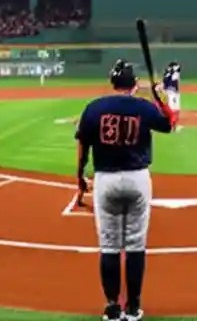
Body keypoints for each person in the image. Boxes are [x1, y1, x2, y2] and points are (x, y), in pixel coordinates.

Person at [74, 60, 175, 321]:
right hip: (137, 179)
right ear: (134, 84)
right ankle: (133, 307)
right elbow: (169, 123)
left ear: (112, 83)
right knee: (135, 245)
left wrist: (79, 178)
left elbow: (82, 146)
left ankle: (112, 307)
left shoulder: (94, 108)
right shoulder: (142, 107)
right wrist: (159, 96)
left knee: (109, 246)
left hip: (105, 180)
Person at [162, 62, 182, 130]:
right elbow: (178, 70)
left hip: (167, 92)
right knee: (175, 109)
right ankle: (173, 126)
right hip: (172, 93)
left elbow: (165, 81)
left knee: (170, 108)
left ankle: (172, 124)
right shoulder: (174, 73)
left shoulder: (167, 72)